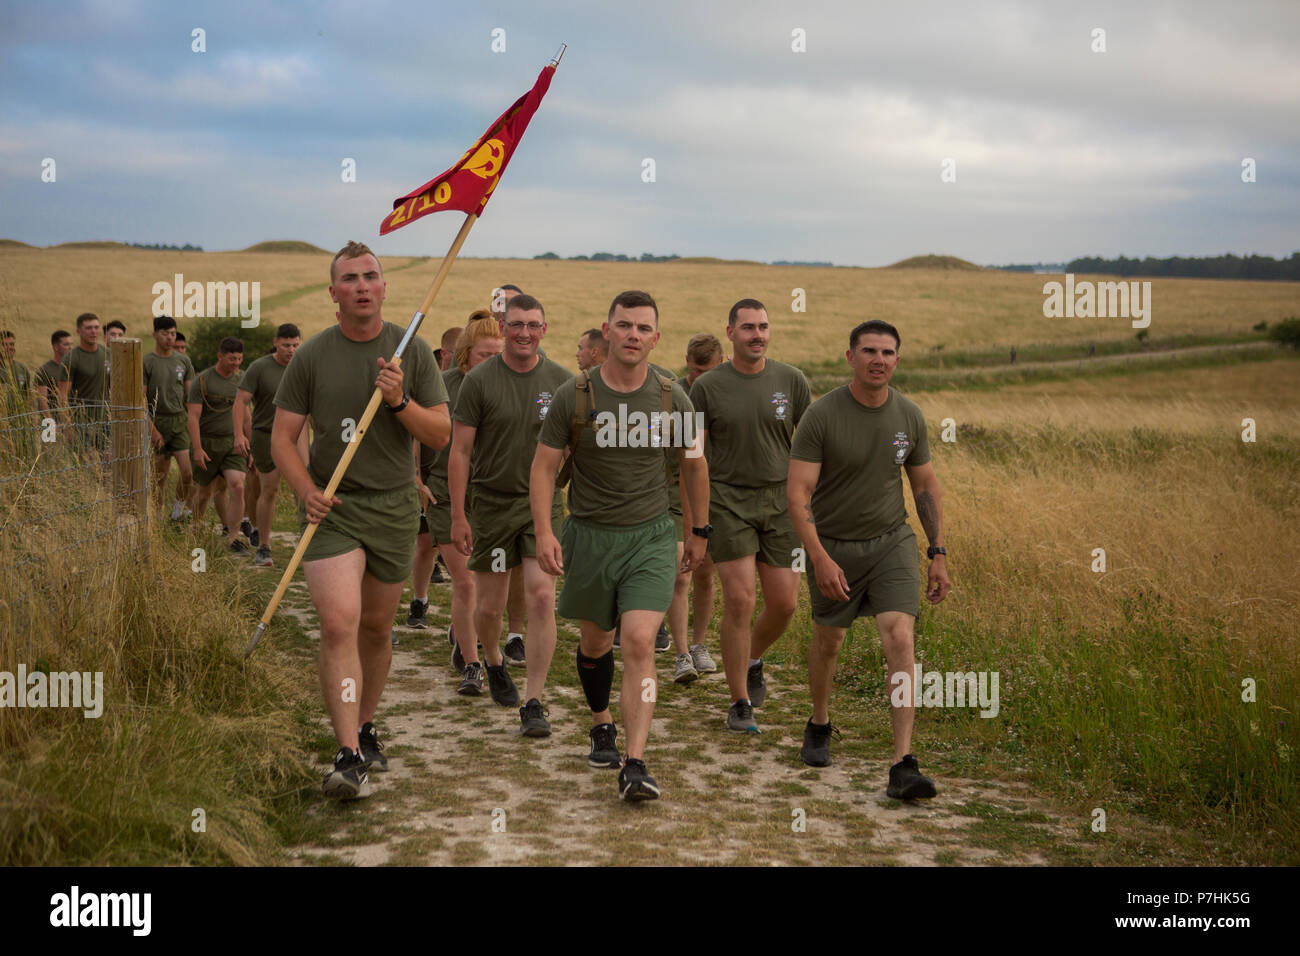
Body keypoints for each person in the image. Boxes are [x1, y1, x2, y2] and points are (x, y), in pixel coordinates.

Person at [273, 240, 449, 800]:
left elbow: (440, 434)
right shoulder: (313, 356)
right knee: (337, 623)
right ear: (333, 293)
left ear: (384, 286)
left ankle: (367, 723)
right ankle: (347, 753)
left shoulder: (411, 351)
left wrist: (398, 402)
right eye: (350, 279)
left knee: (376, 627)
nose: (363, 286)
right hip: (335, 507)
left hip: (395, 506)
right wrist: (305, 490)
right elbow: (281, 438)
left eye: (371, 275)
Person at [532, 290, 708, 801]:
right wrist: (545, 531)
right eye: (624, 325)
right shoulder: (575, 395)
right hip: (589, 535)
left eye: (643, 327)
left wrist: (698, 530)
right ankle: (600, 721)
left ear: (656, 337)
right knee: (595, 644)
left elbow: (695, 466)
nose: (633, 335)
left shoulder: (675, 397)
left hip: (652, 537)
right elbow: (543, 468)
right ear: (606, 331)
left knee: (637, 642)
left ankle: (635, 762)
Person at [787, 319, 950, 799]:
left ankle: (903, 762)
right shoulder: (822, 415)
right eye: (869, 351)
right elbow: (798, 495)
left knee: (899, 634)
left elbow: (924, 486)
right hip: (831, 543)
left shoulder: (909, 416)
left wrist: (937, 551)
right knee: (829, 641)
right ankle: (819, 721)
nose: (879, 360)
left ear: (897, 359)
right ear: (850, 356)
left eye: (888, 353)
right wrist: (816, 557)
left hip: (891, 541)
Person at [449, 293, 571, 734]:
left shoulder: (562, 382)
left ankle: (534, 700)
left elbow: (575, 445)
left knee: (541, 597)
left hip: (542, 508)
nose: (524, 333)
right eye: (516, 324)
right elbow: (460, 451)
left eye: (533, 325)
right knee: (491, 605)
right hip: (492, 505)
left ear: (544, 329)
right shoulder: (479, 381)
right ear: (503, 328)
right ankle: (494, 660)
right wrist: (459, 516)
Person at [690, 298, 810, 733]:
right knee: (740, 600)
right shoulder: (706, 388)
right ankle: (739, 700)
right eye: (748, 328)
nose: (757, 334)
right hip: (728, 501)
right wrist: (697, 522)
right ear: (730, 333)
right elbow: (694, 455)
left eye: (763, 326)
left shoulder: (792, 381)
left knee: (784, 603)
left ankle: (752, 658)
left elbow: (808, 448)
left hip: (781, 503)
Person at [410, 312, 503, 694]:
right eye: (485, 355)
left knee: (484, 585)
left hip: (491, 495)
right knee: (465, 582)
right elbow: (414, 431)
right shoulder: (443, 385)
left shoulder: (504, 383)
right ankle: (472, 665)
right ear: (465, 355)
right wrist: (414, 478)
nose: (494, 361)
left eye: (499, 353)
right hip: (446, 494)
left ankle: (463, 633)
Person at [666, 332, 724, 683]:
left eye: (706, 371)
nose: (698, 379)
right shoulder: (673, 393)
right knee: (680, 574)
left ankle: (700, 644)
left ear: (722, 362)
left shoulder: (727, 391)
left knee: (705, 573)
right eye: (693, 370)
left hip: (716, 493)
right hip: (674, 494)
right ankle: (682, 653)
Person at [236, 323, 304, 566]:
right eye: (286, 345)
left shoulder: (303, 366)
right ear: (276, 343)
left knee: (304, 489)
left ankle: (309, 543)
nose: (291, 350)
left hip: (298, 433)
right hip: (267, 434)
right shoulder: (260, 367)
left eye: (296, 345)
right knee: (270, 489)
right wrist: (239, 435)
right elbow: (240, 401)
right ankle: (264, 546)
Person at [187, 337, 251, 554]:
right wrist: (197, 449)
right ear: (220, 356)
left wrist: (248, 445)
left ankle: (233, 537)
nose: (236, 363)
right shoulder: (203, 381)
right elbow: (193, 417)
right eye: (232, 359)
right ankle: (194, 528)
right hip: (207, 443)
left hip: (233, 443)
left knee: (238, 485)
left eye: (240, 359)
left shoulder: (242, 380)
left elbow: (247, 417)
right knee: (204, 492)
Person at [142, 316, 196, 517]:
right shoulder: (147, 362)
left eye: (173, 333)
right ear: (155, 334)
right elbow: (141, 399)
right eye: (165, 334)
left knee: (188, 472)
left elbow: (191, 396)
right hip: (157, 420)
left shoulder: (183, 360)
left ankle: (177, 513)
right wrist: (152, 429)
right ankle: (156, 516)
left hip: (180, 420)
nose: (169, 338)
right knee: (159, 477)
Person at [62, 312, 110, 455]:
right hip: (81, 420)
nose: (94, 331)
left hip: (105, 419)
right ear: (78, 331)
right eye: (89, 328)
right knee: (88, 466)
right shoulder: (71, 358)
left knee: (108, 464)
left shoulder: (108, 354)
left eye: (96, 327)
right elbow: (62, 396)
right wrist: (68, 426)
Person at [34, 330, 73, 417]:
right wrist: (51, 424)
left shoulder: (75, 367)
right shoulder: (44, 370)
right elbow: (42, 402)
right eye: (66, 344)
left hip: (77, 420)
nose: (70, 347)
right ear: (56, 347)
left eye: (71, 344)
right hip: (56, 420)